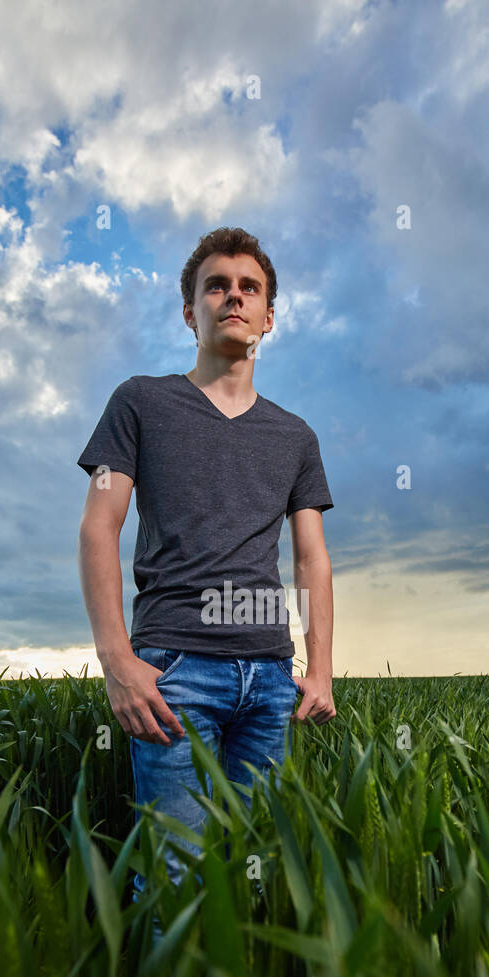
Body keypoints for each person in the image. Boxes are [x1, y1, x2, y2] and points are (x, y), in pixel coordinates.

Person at [77, 226, 335, 939]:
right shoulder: (139, 403)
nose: (234, 297)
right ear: (189, 312)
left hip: (270, 680)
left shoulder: (296, 436)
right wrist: (118, 661)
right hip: (175, 674)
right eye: (216, 286)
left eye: (250, 288)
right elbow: (100, 525)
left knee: (256, 872)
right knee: (176, 880)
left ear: (269, 317)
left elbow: (311, 556)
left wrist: (321, 669)